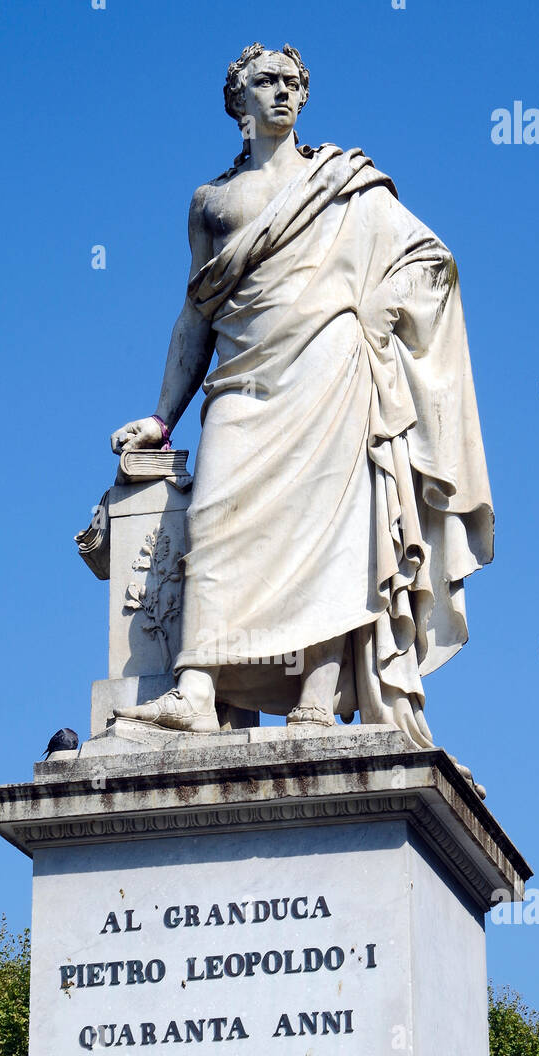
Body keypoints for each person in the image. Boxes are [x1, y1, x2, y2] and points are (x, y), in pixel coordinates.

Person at [110, 42, 493, 746]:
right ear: (238, 100)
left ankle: (317, 697)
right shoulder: (211, 202)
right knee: (215, 521)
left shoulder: (345, 184)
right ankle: (197, 688)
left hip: (330, 373)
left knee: (330, 530)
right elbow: (195, 312)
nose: (283, 92)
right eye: (267, 81)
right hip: (242, 384)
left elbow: (430, 259)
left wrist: (376, 309)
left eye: (294, 83)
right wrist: (162, 418)